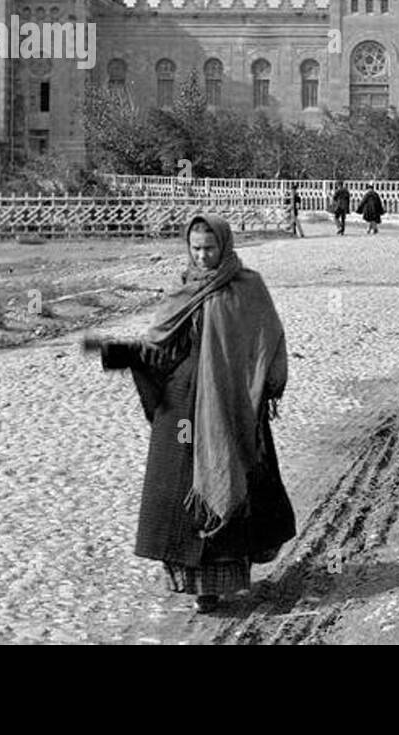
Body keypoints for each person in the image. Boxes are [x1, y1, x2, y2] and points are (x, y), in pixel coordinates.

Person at [83, 214, 295, 615]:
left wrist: (269, 386)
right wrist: (117, 352)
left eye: (210, 248)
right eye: (196, 248)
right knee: (182, 490)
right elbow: (160, 348)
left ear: (226, 246)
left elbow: (270, 342)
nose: (202, 255)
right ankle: (200, 589)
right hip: (183, 411)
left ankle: (226, 579)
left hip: (232, 406)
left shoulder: (248, 289)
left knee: (234, 477)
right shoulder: (183, 289)